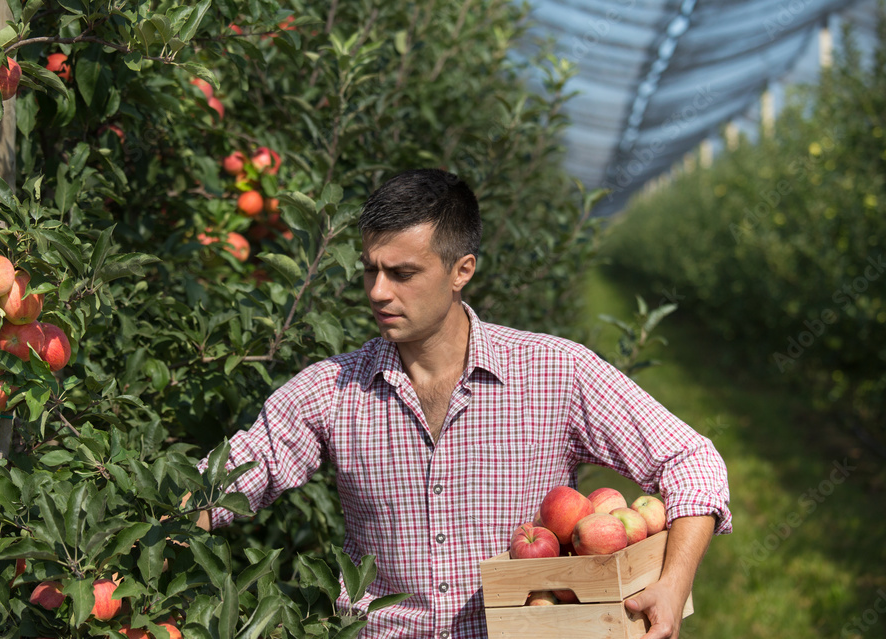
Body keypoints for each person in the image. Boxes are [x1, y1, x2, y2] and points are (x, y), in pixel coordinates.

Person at [196, 168, 732, 638]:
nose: (378, 291)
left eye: (403, 273)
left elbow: (692, 461)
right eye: (369, 270)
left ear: (462, 271)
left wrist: (673, 583)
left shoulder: (554, 373)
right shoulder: (333, 390)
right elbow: (231, 478)